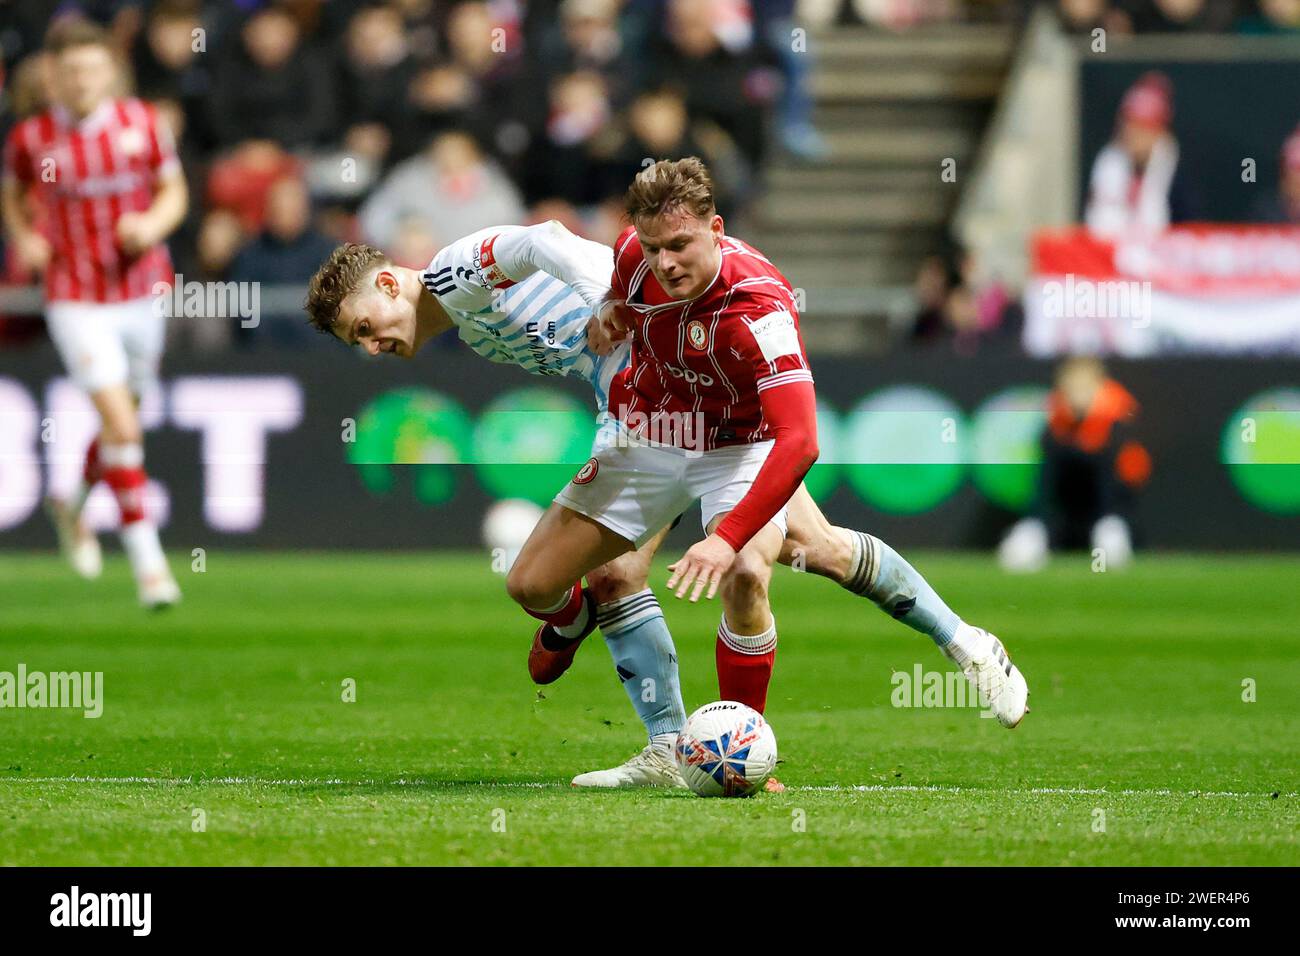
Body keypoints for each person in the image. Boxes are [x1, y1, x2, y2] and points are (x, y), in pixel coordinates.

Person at [303, 162, 1029, 788]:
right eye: (355, 342)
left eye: (365, 327)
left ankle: (960, 644)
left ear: (393, 282)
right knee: (549, 583)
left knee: (786, 557)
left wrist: (606, 301)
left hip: (721, 428)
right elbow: (623, 259)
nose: (369, 347)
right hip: (643, 423)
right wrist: (620, 299)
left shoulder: (461, 272)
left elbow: (546, 240)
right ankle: (661, 739)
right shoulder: (612, 267)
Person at [1, 17, 187, 608]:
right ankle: (150, 569)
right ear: (54, 75)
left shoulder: (141, 125)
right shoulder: (32, 138)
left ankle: (72, 501)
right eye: (71, 70)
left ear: (110, 71)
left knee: (120, 422)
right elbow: (13, 194)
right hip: (75, 296)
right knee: (127, 428)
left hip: (141, 291)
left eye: (91, 67)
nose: (82, 80)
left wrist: (150, 226)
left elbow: (174, 193)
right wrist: (25, 239)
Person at [999, 357, 1152, 573]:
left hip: (1111, 501)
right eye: (1073, 387)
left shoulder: (1118, 413)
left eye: (1085, 387)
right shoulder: (1055, 415)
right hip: (1066, 504)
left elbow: (1131, 471)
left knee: (1103, 466)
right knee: (1048, 466)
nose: (1078, 395)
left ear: (1099, 386)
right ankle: (1034, 530)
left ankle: (1111, 533)